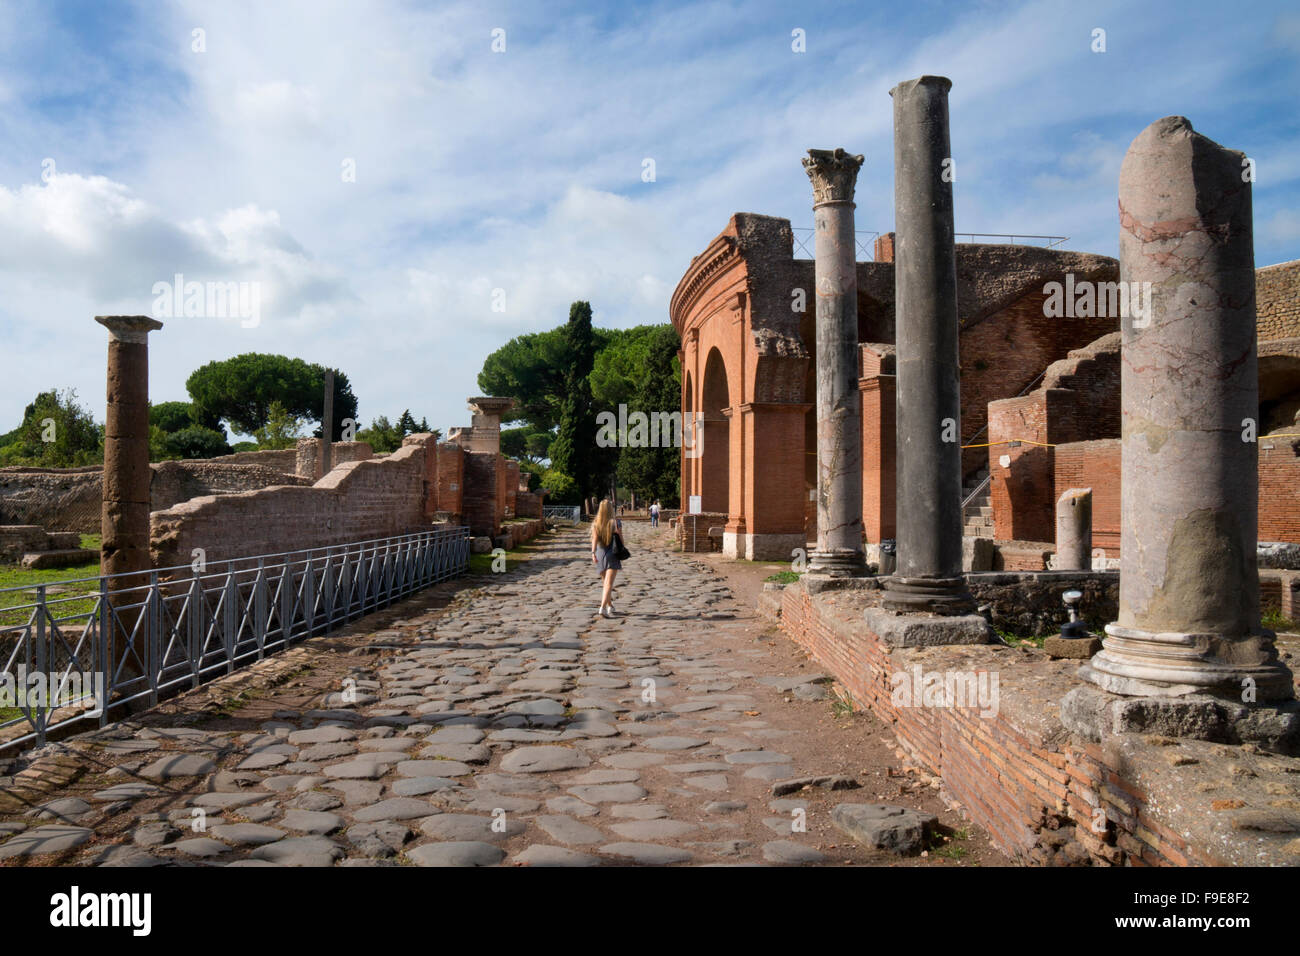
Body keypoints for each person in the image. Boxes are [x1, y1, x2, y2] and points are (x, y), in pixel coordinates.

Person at [590, 499, 623, 618]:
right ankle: (603, 607)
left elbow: (594, 539)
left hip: (600, 553)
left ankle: (610, 606)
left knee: (605, 583)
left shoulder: (596, 523)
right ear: (610, 509)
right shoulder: (616, 523)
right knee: (609, 584)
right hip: (612, 553)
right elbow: (620, 538)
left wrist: (593, 553)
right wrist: (622, 549)